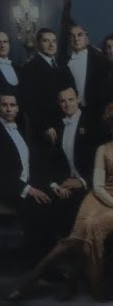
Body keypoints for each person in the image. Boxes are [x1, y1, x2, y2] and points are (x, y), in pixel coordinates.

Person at [9, 102, 113, 303]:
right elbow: (98, 186)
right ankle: (29, 281)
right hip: (99, 197)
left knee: (91, 230)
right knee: (72, 239)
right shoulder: (103, 149)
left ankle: (77, 282)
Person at [0, 90, 63, 258]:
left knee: (57, 201)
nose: (9, 109)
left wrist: (52, 184)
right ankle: (37, 262)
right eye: (4, 105)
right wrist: (27, 190)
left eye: (12, 105)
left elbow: (33, 164)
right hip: (5, 188)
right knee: (39, 208)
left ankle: (50, 259)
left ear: (18, 108)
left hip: (27, 184)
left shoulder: (21, 130)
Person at [42, 84, 99, 233]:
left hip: (91, 184)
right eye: (62, 101)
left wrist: (82, 181)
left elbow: (104, 164)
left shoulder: (93, 124)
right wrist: (57, 184)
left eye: (71, 99)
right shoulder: (56, 126)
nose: (67, 104)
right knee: (47, 205)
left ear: (78, 99)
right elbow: (53, 162)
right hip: (65, 184)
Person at [17, 28, 74, 137]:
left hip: (67, 122)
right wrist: (45, 126)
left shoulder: (63, 66)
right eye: (46, 41)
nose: (51, 44)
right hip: (46, 128)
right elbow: (29, 103)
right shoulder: (30, 68)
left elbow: (72, 91)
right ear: (38, 44)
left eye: (53, 41)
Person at [66, 22, 113, 119]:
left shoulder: (100, 59)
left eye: (80, 35)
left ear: (86, 37)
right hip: (74, 114)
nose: (76, 39)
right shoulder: (63, 63)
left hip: (98, 113)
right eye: (72, 36)